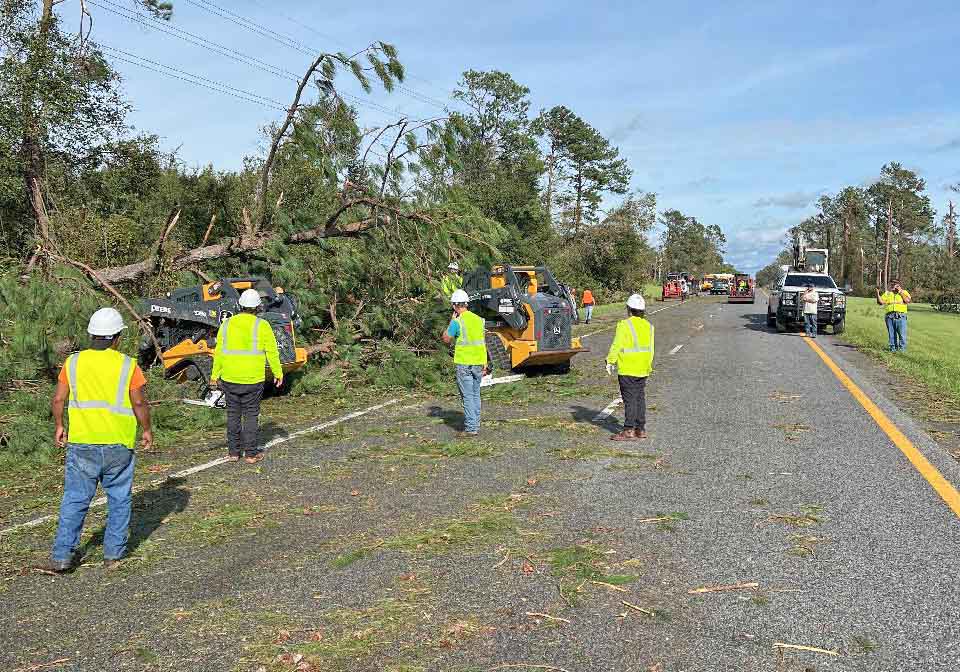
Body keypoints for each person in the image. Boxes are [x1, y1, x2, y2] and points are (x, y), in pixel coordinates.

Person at [49, 308, 153, 572]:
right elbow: (139, 401)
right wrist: (146, 429)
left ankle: (62, 555)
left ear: (92, 334)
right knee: (119, 499)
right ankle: (113, 555)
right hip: (118, 445)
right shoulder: (128, 365)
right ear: (117, 337)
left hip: (82, 443)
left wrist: (60, 424)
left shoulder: (72, 363)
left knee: (75, 499)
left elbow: (59, 398)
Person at [210, 288, 283, 464]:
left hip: (230, 377)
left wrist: (214, 375)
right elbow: (272, 352)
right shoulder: (262, 325)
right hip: (253, 379)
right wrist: (278, 372)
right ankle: (251, 454)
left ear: (240, 305)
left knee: (233, 415)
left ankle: (234, 453)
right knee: (250, 415)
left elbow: (219, 352)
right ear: (258, 307)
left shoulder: (226, 325)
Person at [605, 294, 655, 441]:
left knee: (630, 399)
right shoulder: (649, 327)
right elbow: (651, 350)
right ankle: (641, 429)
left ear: (629, 309)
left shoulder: (624, 325)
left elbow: (617, 345)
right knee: (640, 398)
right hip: (643, 368)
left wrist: (610, 361)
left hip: (628, 368)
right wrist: (648, 366)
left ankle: (628, 429)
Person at [441, 289, 488, 436]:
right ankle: (475, 423)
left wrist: (452, 320)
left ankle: (471, 428)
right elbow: (482, 343)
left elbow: (446, 339)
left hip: (465, 364)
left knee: (467, 396)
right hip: (478, 363)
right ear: (466, 304)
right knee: (475, 395)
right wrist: (485, 363)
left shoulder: (457, 322)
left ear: (455, 306)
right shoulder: (479, 320)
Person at [876, 279, 911, 352]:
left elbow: (907, 300)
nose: (891, 286)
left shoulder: (904, 292)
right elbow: (880, 302)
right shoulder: (888, 293)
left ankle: (902, 350)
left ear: (898, 285)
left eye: (893, 284)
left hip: (901, 316)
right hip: (889, 317)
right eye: (891, 284)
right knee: (891, 334)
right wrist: (877, 293)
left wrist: (900, 291)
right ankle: (893, 349)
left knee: (902, 334)